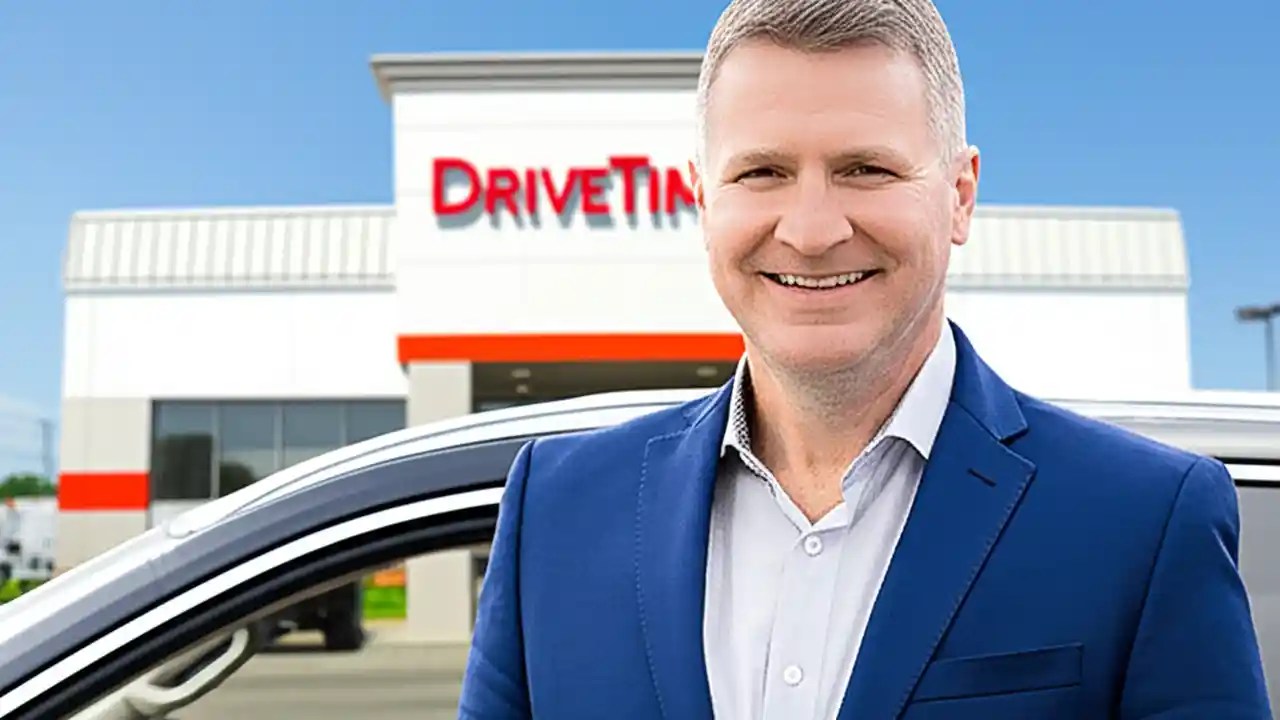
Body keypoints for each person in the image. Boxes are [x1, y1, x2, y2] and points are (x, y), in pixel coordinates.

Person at [458, 0, 1273, 717]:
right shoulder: (557, 515)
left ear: (960, 197)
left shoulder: (1142, 522)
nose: (812, 231)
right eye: (763, 172)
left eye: (866, 170)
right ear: (703, 200)